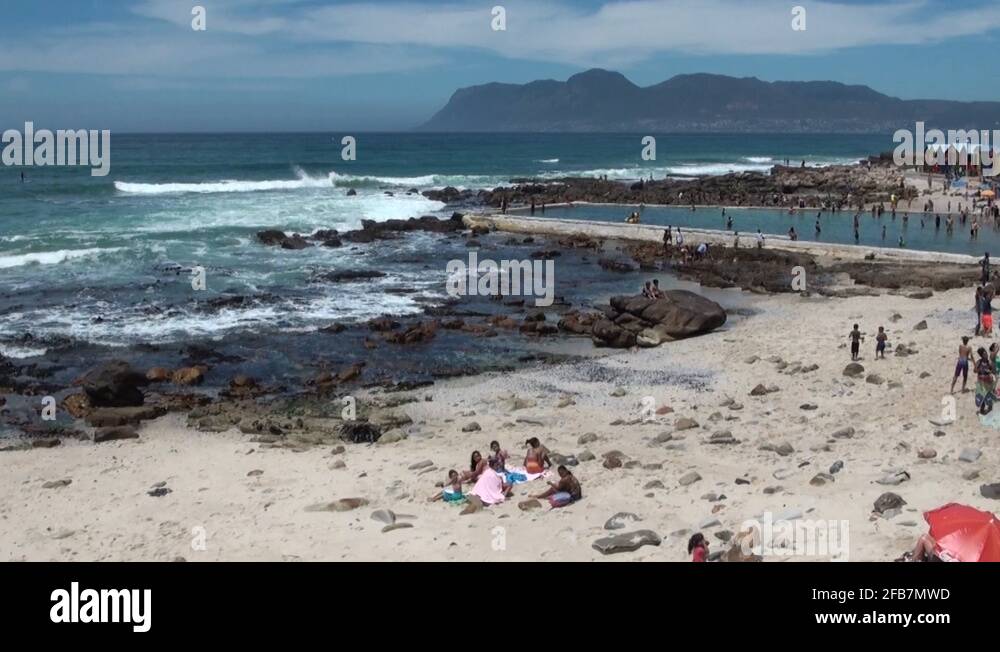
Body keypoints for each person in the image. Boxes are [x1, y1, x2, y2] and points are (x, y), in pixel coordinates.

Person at [975, 347, 996, 415]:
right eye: (984, 354)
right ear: (981, 355)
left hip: (989, 382)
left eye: (986, 353)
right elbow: (974, 370)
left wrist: (989, 371)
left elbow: (993, 370)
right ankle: (982, 409)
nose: (986, 355)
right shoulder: (979, 362)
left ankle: (990, 407)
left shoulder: (988, 362)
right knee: (982, 396)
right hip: (981, 383)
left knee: (989, 395)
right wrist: (979, 370)